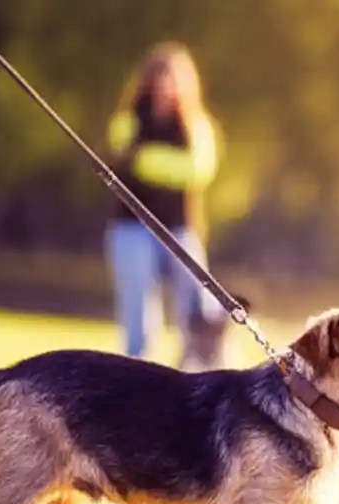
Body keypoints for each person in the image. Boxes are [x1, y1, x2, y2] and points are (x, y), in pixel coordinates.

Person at [104, 42, 221, 361]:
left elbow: (197, 169)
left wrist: (147, 161)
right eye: (159, 79)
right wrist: (163, 165)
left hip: (179, 230)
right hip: (131, 228)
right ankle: (136, 367)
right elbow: (121, 155)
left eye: (172, 80)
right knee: (137, 310)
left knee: (195, 307)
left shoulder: (196, 126)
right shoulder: (129, 120)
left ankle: (193, 367)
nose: (165, 88)